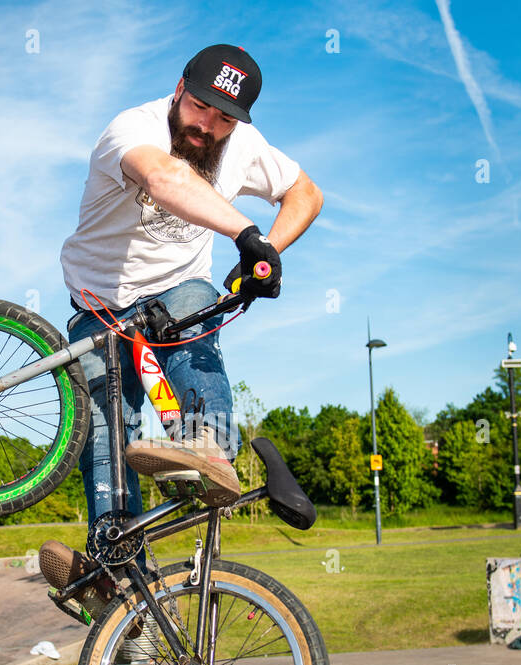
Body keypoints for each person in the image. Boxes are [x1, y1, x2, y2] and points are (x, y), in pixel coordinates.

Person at [38, 43, 322, 620]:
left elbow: (306, 194)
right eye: (199, 108)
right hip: (99, 301)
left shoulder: (242, 146)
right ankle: (117, 571)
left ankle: (208, 446)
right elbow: (165, 177)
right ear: (178, 90)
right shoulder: (131, 128)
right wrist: (247, 231)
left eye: (223, 118)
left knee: (197, 310)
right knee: (105, 427)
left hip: (175, 290)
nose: (206, 126)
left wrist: (263, 256)